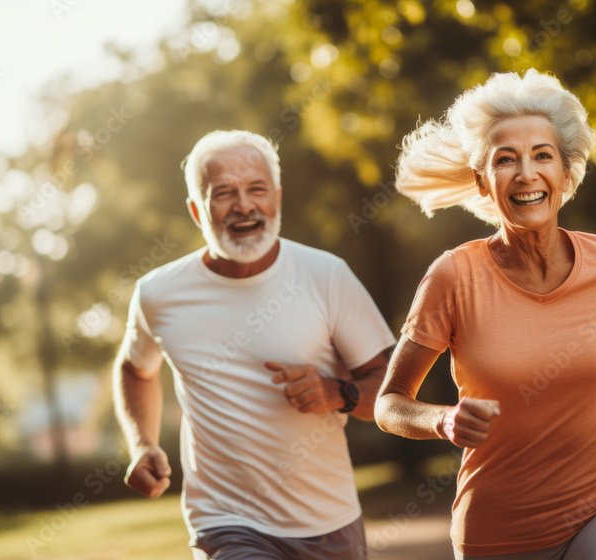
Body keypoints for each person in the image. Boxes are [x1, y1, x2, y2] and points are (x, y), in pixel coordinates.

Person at [374, 70, 596, 560]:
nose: (526, 173)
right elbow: (389, 403)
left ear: (567, 174)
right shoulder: (453, 277)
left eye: (542, 155)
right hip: (498, 533)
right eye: (506, 160)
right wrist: (444, 421)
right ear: (483, 181)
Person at [114, 130, 396, 559]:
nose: (243, 205)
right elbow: (134, 369)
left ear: (277, 199)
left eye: (256, 189)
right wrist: (142, 444)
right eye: (223, 193)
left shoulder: (326, 276)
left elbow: (392, 392)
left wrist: (337, 393)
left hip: (330, 522)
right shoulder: (158, 293)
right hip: (225, 523)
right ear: (196, 210)